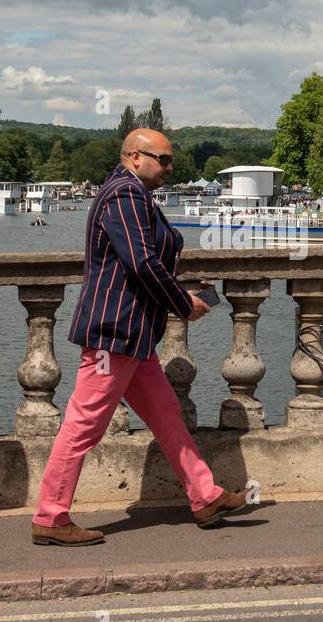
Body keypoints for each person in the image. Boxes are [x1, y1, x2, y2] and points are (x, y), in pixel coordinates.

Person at [30, 129, 256, 545]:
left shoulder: (131, 193)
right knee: (83, 427)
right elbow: (142, 264)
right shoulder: (124, 195)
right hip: (114, 334)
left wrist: (180, 292)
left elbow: (146, 262)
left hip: (132, 335)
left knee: (167, 415)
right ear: (135, 157)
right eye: (163, 160)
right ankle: (50, 516)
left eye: (171, 160)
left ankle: (204, 496)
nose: (170, 167)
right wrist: (182, 303)